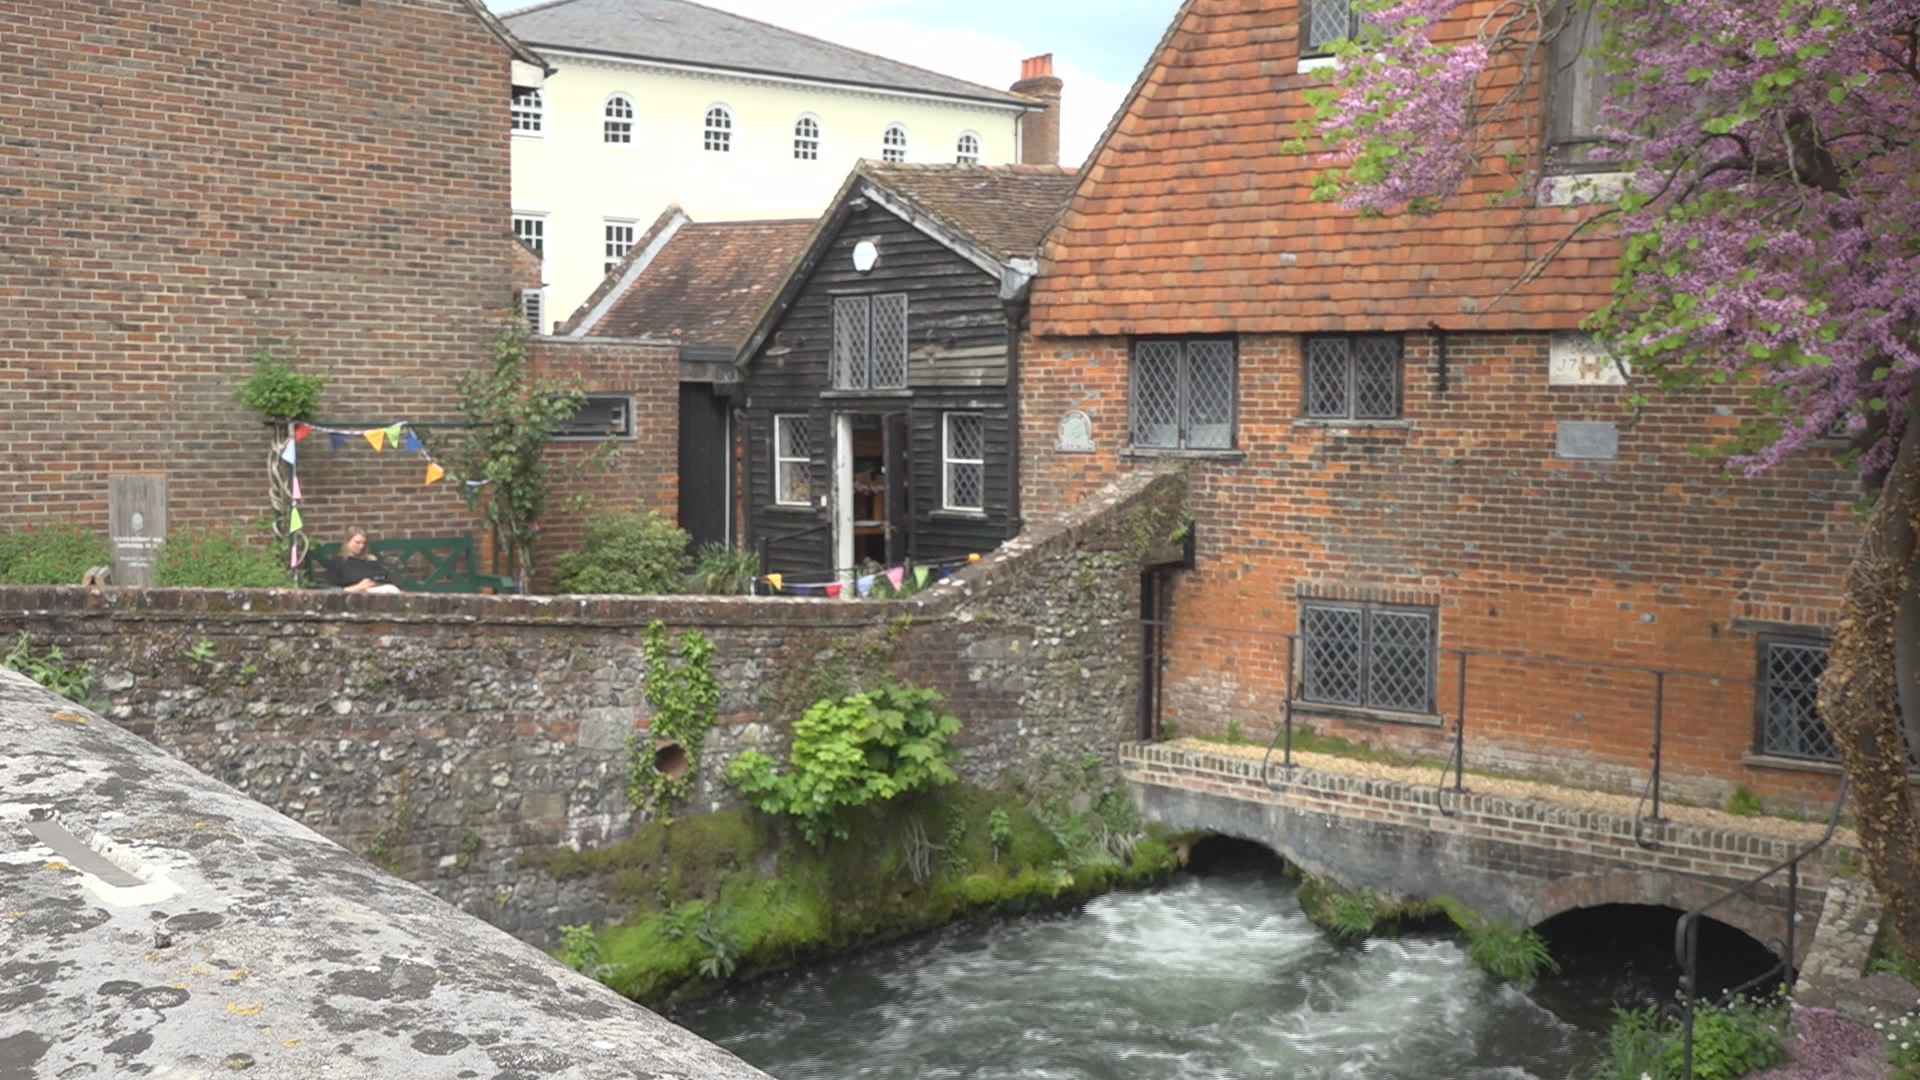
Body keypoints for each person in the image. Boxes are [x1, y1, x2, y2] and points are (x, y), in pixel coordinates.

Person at [327, 530, 401, 594]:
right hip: (360, 596)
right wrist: (358, 587)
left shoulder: (371, 559)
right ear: (347, 542)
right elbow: (333, 590)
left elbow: (386, 578)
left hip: (385, 590)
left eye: (364, 543)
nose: (361, 546)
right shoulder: (339, 562)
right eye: (357, 542)